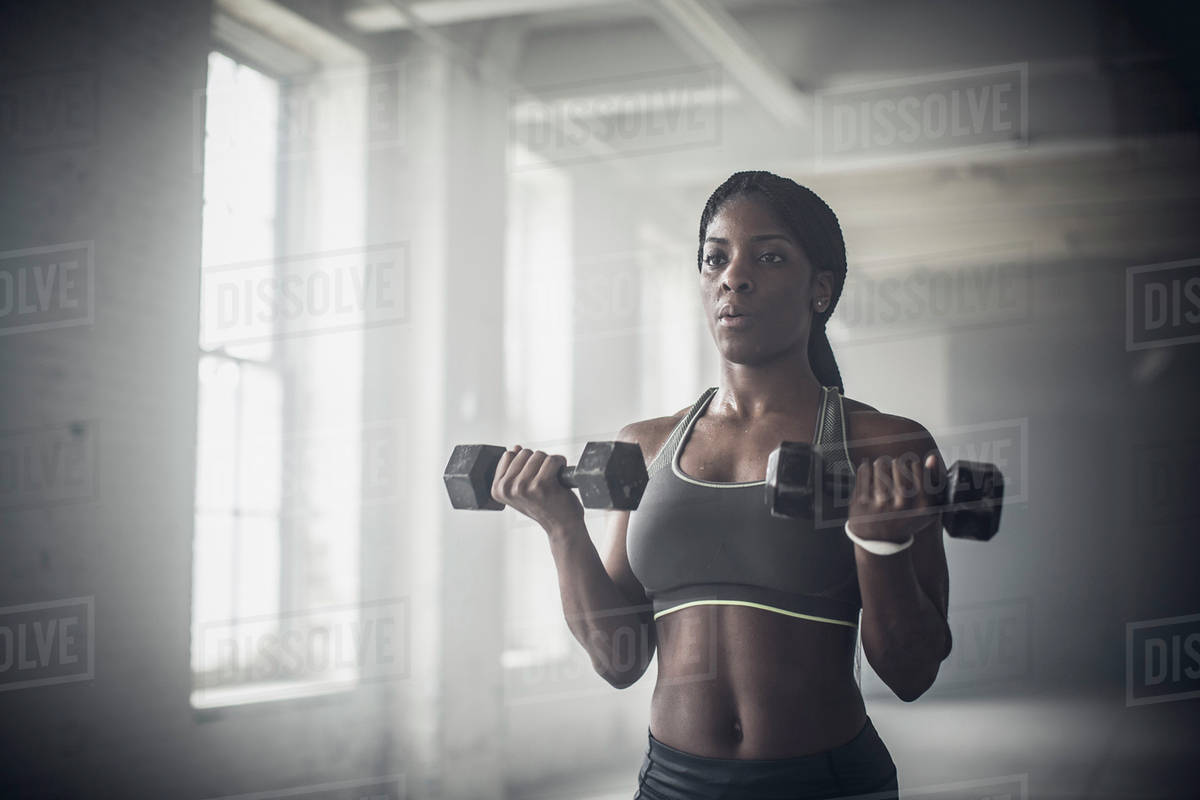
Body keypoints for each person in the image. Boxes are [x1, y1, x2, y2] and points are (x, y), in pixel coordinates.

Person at [490, 170, 952, 799]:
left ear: (821, 289)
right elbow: (618, 660)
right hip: (672, 786)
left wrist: (881, 545)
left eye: (768, 256)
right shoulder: (643, 447)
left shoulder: (883, 447)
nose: (734, 277)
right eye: (715, 258)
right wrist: (561, 526)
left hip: (826, 785)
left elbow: (912, 671)